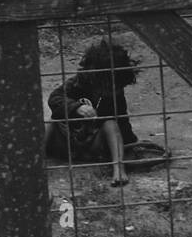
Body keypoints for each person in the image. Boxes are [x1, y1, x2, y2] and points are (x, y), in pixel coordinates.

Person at [45, 39, 142, 186]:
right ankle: (37, 160)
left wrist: (129, 144)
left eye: (116, 87)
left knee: (111, 123)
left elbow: (121, 120)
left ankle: (119, 168)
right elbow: (54, 98)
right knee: (51, 124)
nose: (113, 90)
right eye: (110, 86)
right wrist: (76, 107)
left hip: (93, 148)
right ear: (96, 76)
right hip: (67, 142)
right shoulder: (77, 83)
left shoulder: (116, 92)